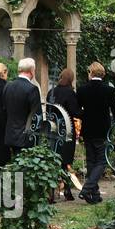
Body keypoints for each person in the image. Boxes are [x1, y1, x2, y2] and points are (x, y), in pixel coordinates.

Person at [75, 61, 115, 204]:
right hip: (103, 130)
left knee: (91, 160)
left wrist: (85, 115)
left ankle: (93, 195)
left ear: (90, 73)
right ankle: (88, 190)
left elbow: (77, 110)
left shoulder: (82, 89)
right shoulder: (109, 90)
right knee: (101, 160)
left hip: (88, 129)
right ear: (103, 74)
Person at [48, 67, 81, 201]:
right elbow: (75, 112)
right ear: (71, 79)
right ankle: (67, 190)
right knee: (66, 160)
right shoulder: (70, 93)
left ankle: (51, 191)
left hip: (53, 128)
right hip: (66, 129)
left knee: (54, 159)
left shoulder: (52, 91)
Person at [3, 57, 42, 161]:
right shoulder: (32, 89)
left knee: (13, 166)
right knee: (23, 169)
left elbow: (4, 108)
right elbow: (37, 116)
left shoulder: (8, 86)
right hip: (25, 136)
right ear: (31, 71)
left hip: (10, 134)